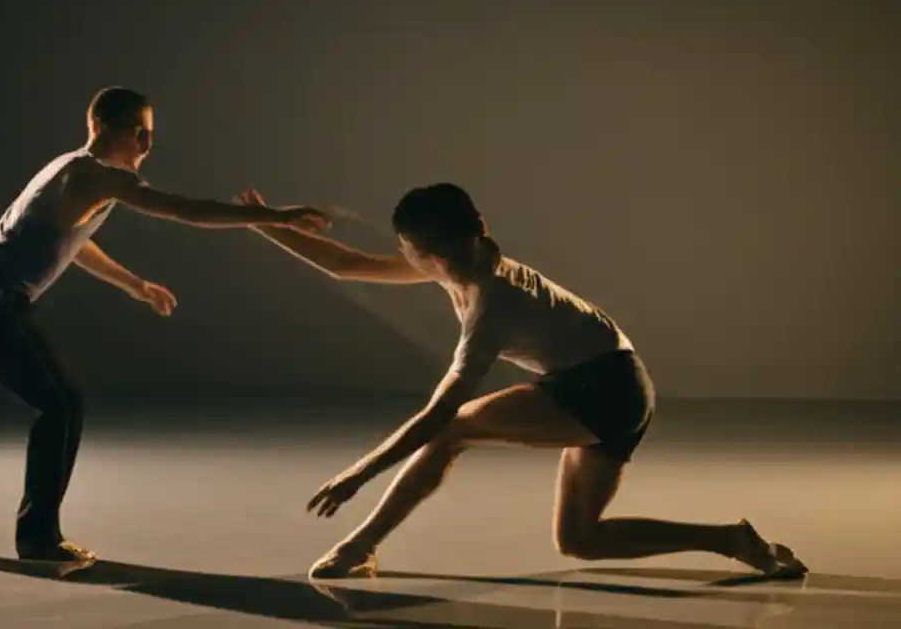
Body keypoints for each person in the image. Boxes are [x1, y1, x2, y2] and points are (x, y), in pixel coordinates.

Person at [0, 87, 329, 564]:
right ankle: (39, 540)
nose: (149, 143)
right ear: (137, 134)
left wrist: (134, 284)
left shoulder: (71, 169)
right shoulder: (101, 176)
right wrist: (276, 216)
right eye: (147, 133)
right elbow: (181, 210)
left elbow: (75, 242)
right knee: (61, 402)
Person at [236, 184, 806, 579]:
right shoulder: (466, 256)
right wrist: (262, 221)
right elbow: (344, 263)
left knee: (450, 431)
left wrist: (357, 474)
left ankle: (360, 546)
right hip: (623, 384)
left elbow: (438, 415)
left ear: (421, 250)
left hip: (599, 389)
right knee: (579, 540)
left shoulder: (491, 306)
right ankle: (732, 541)